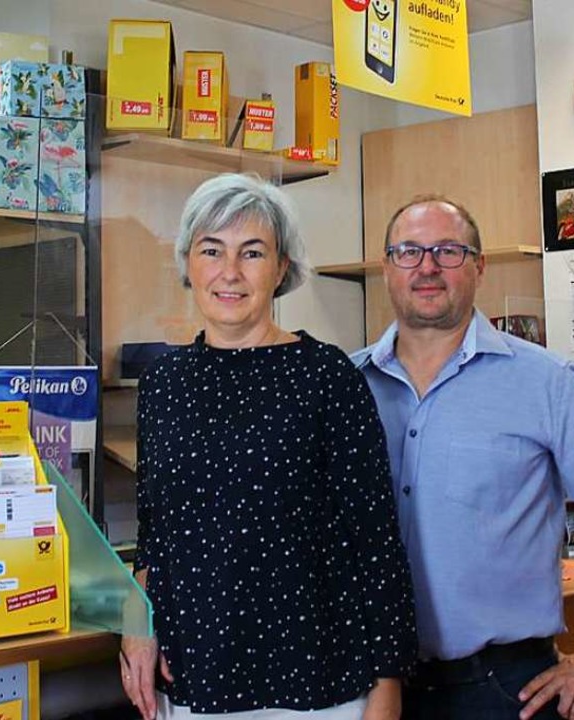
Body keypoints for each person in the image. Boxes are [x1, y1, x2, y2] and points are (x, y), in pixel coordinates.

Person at [351, 196, 574, 720]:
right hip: (373, 687)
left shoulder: (545, 382)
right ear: (387, 267)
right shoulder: (346, 385)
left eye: (448, 251)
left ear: (479, 266)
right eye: (409, 251)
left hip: (502, 691)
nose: (427, 267)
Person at [121, 173, 417, 720]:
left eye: (252, 253)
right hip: (192, 678)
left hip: (316, 682)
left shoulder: (327, 376)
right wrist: (136, 626)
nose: (229, 272)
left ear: (282, 269)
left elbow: (375, 539)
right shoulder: (164, 384)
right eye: (212, 250)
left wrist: (388, 681)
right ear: (188, 262)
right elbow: (154, 534)